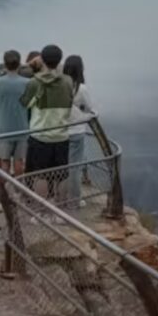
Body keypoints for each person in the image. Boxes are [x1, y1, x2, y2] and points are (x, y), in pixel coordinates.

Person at [19, 44, 73, 202]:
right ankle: (60, 208)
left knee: (41, 175)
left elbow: (25, 103)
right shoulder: (68, 81)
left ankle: (42, 212)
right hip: (62, 135)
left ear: (41, 60)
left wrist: (30, 64)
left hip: (40, 135)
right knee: (61, 175)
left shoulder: (35, 82)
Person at [0, 51, 39, 160]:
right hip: (20, 127)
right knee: (19, 160)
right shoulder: (28, 80)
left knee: (3, 159)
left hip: (2, 125)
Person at [0, 50, 31, 177]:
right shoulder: (27, 83)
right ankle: (19, 191)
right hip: (22, 128)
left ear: (5, 63)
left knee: (4, 163)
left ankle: (7, 191)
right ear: (19, 64)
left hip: (3, 129)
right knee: (19, 162)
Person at [62, 55, 94, 209]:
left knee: (60, 167)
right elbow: (90, 108)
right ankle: (74, 200)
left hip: (60, 131)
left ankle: (60, 198)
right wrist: (89, 116)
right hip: (76, 131)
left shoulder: (60, 86)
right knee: (75, 168)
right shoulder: (81, 88)